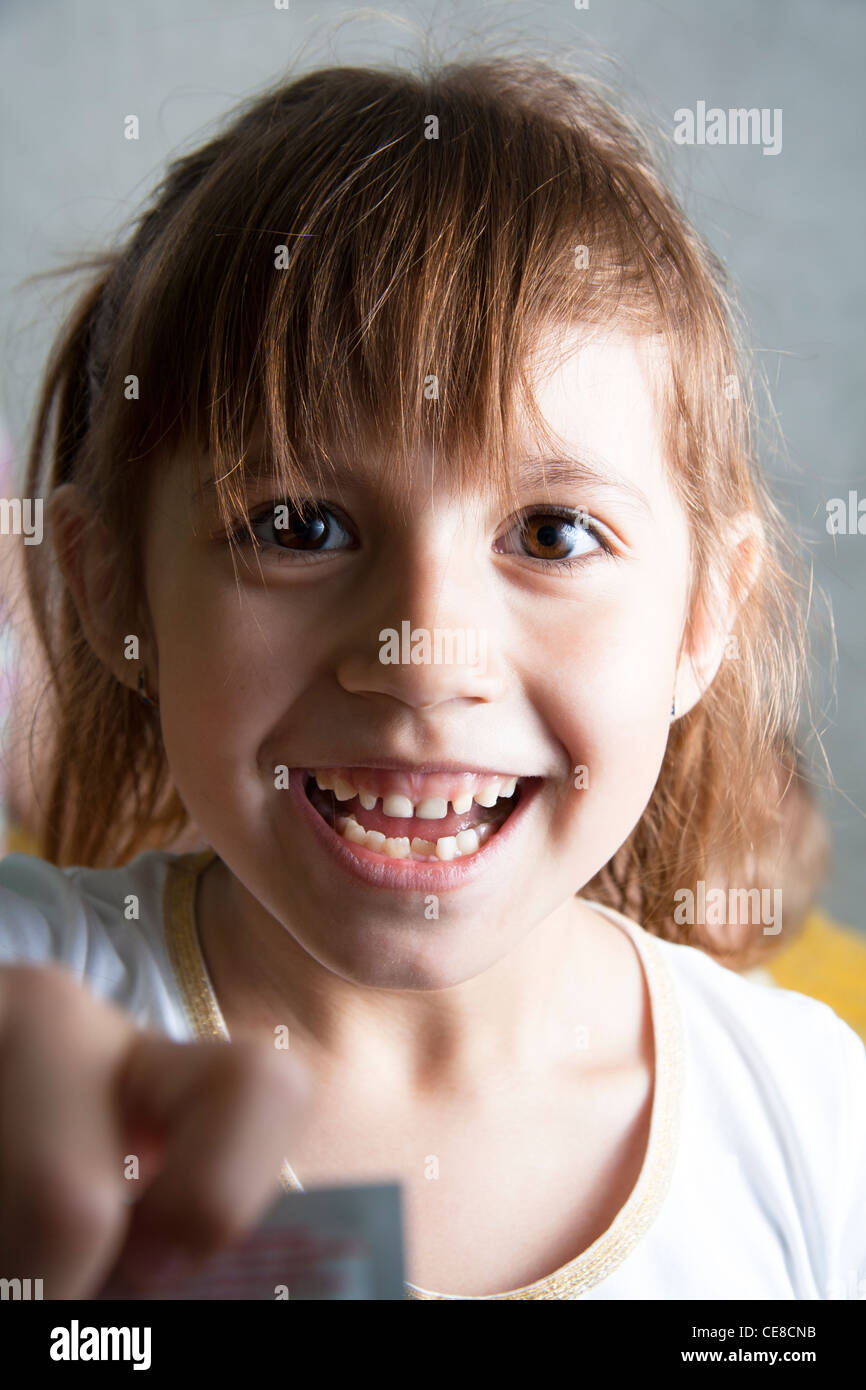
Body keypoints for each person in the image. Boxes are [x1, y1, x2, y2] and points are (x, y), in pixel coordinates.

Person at [0, 56, 863, 1302]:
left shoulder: (808, 1121)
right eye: (296, 525)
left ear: (700, 619)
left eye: (552, 534)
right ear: (113, 590)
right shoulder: (34, 991)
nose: (425, 655)